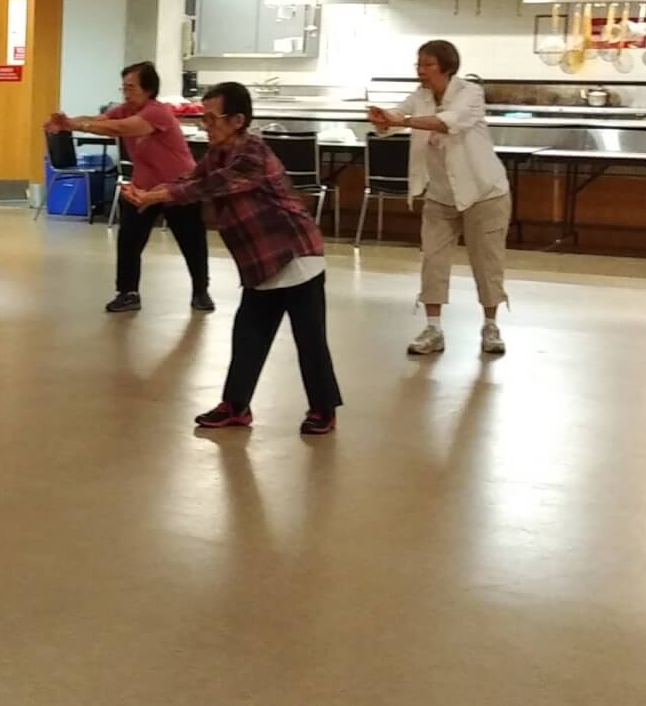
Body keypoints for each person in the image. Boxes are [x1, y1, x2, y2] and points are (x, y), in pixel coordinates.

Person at [125, 80, 342, 436]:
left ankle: (323, 409)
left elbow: (209, 186)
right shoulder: (217, 153)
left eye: (211, 119)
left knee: (310, 338)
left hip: (295, 254)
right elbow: (190, 178)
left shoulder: (251, 153)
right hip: (261, 261)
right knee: (248, 336)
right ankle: (236, 407)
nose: (205, 126)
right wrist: (152, 193)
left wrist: (157, 197)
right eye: (202, 119)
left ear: (237, 120)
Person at [367, 39, 510, 357]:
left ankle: (490, 327)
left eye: (428, 64)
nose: (421, 70)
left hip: (483, 192)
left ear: (447, 66)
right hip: (440, 193)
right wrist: (383, 117)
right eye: (418, 63)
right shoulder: (419, 96)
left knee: (487, 262)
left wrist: (399, 121)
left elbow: (448, 123)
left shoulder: (470, 93)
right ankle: (433, 328)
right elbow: (399, 114)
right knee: (433, 259)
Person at [46, 61, 213, 313]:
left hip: (178, 186)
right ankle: (127, 293)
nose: (126, 93)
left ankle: (201, 292)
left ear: (148, 90)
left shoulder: (157, 112)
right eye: (123, 87)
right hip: (142, 187)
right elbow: (98, 120)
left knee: (192, 242)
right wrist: (68, 122)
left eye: (131, 87)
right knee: (129, 241)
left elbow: (123, 129)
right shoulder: (124, 109)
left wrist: (78, 125)